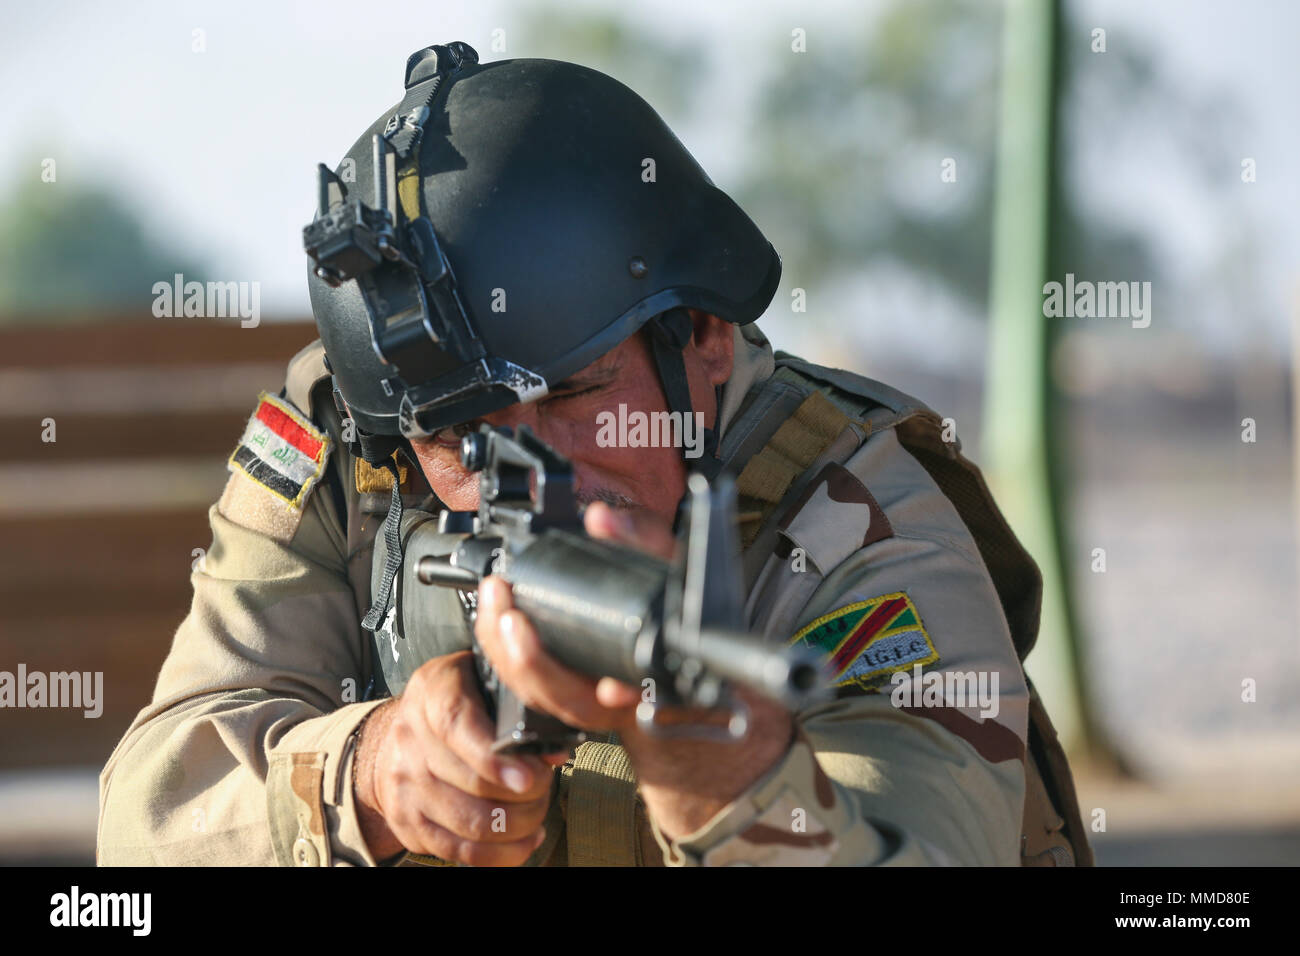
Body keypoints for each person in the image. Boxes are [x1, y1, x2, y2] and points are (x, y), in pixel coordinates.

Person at [97, 42, 1092, 867]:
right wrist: (366, 777)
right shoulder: (351, 443)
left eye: (570, 392)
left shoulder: (855, 522)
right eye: (456, 435)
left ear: (700, 334)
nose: (532, 471)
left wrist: (728, 780)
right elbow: (141, 822)